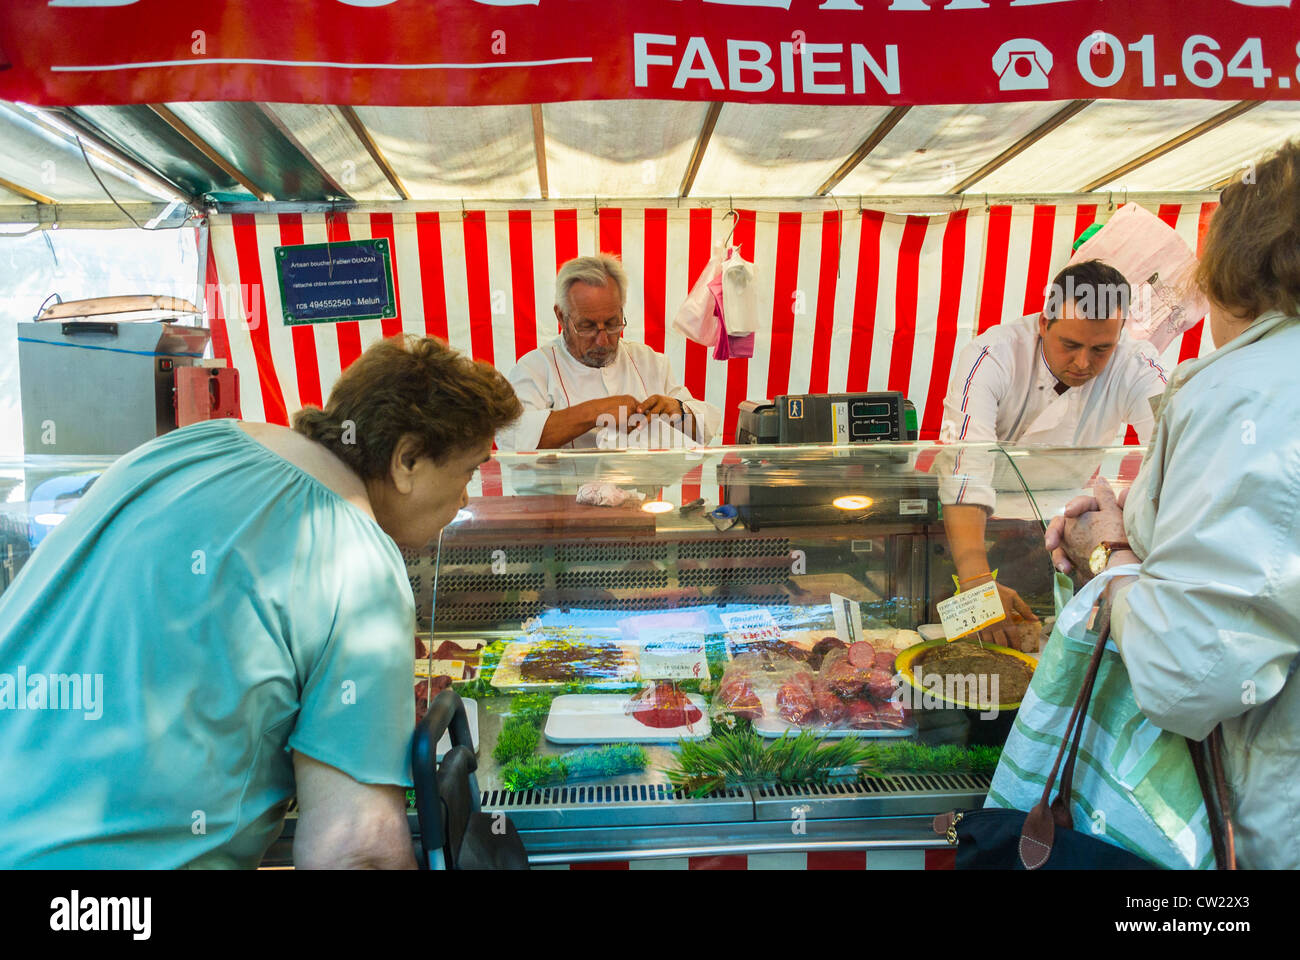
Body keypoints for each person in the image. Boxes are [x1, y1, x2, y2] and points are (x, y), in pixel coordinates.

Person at [0, 335, 522, 868]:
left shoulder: (196, 444)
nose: (466, 498)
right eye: (468, 471)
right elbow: (354, 850)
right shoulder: (356, 557)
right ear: (407, 458)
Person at [1044, 140, 1300, 869]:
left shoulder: (1248, 387)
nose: (1086, 361)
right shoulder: (996, 353)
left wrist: (1114, 553)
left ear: (1229, 267)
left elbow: (1189, 672)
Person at [937, 259, 1169, 648]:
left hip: (1064, 525)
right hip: (975, 525)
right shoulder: (992, 355)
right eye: (1071, 345)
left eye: (1101, 349)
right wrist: (977, 582)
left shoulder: (1137, 363)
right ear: (1044, 323)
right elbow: (966, 467)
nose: (1083, 363)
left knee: (1054, 639)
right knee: (976, 641)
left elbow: (1172, 449)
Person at [496, 254, 722, 450]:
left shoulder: (648, 361)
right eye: (587, 326)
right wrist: (596, 411)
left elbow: (704, 429)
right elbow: (512, 438)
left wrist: (678, 409)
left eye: (613, 323)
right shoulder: (535, 368)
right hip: (560, 499)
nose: (602, 339)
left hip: (640, 497)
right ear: (561, 317)